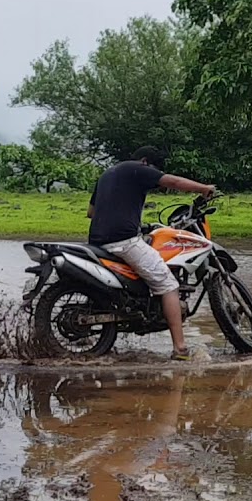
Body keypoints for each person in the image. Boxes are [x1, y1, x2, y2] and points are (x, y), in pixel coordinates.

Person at [87, 146, 215, 361]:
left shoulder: (108, 173)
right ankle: (181, 349)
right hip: (123, 240)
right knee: (167, 284)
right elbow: (174, 182)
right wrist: (204, 188)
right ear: (147, 162)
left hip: (98, 241)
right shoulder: (139, 168)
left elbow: (91, 212)